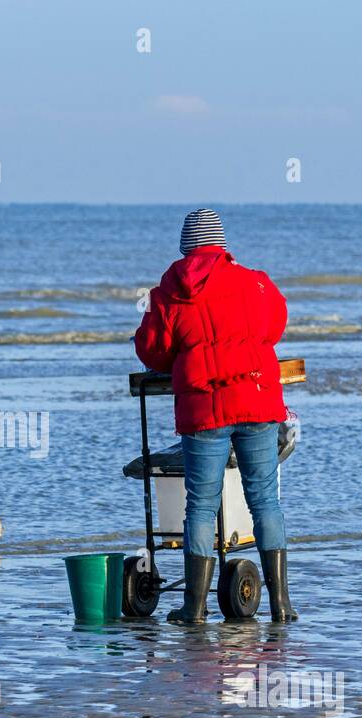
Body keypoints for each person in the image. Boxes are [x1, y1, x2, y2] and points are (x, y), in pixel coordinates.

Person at [134, 208, 297, 624]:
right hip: (257, 398)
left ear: (186, 246)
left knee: (201, 507)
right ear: (222, 246)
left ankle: (194, 607)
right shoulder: (255, 281)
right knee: (264, 500)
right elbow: (275, 325)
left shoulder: (170, 291)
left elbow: (152, 349)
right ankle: (281, 605)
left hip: (205, 407)